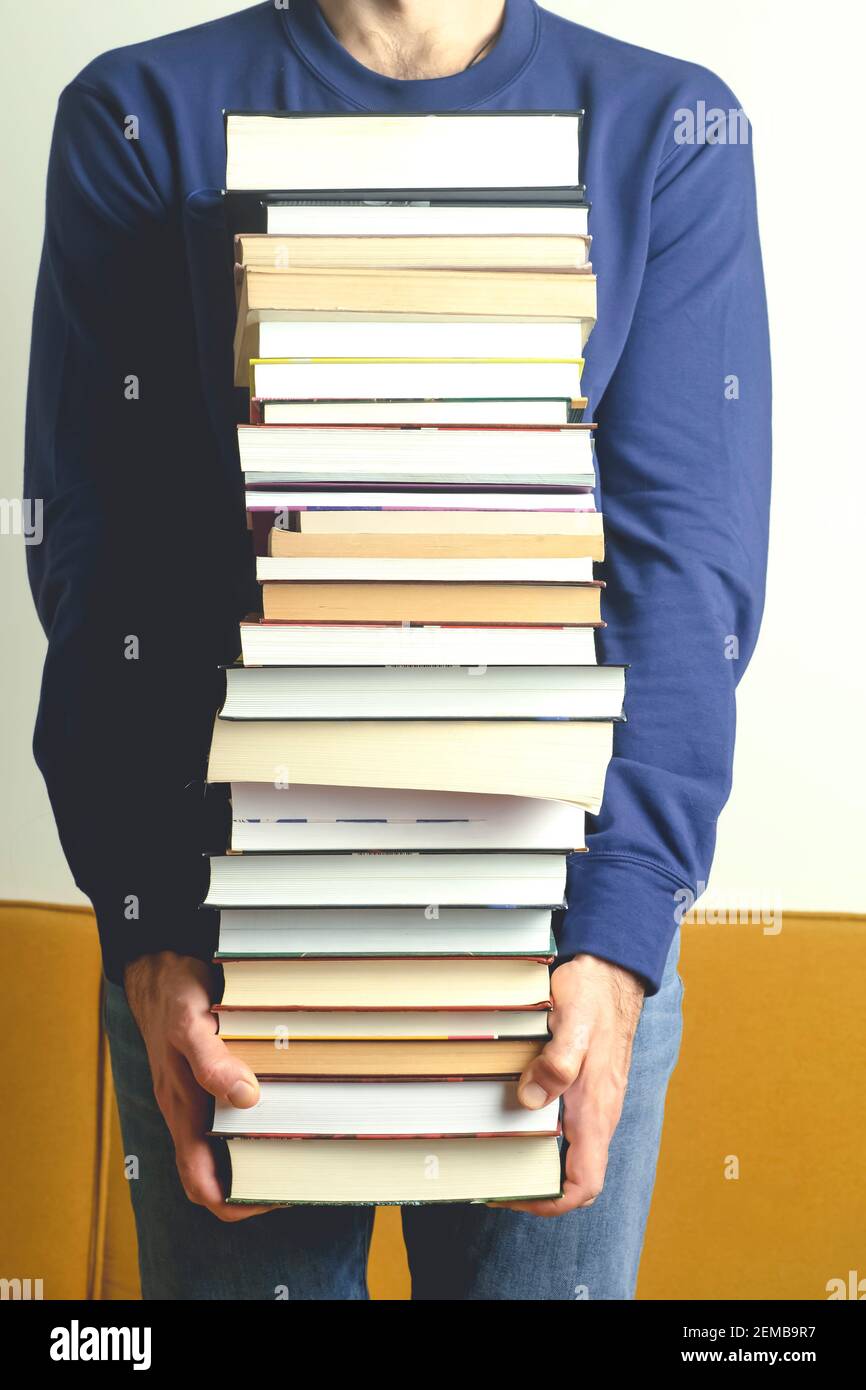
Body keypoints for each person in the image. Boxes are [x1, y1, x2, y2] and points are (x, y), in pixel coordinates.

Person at [25, 0, 770, 1300]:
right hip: (215, 954)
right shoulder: (139, 114)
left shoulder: (666, 132)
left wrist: (614, 930)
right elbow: (104, 558)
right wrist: (147, 926)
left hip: (561, 948)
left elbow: (682, 576)